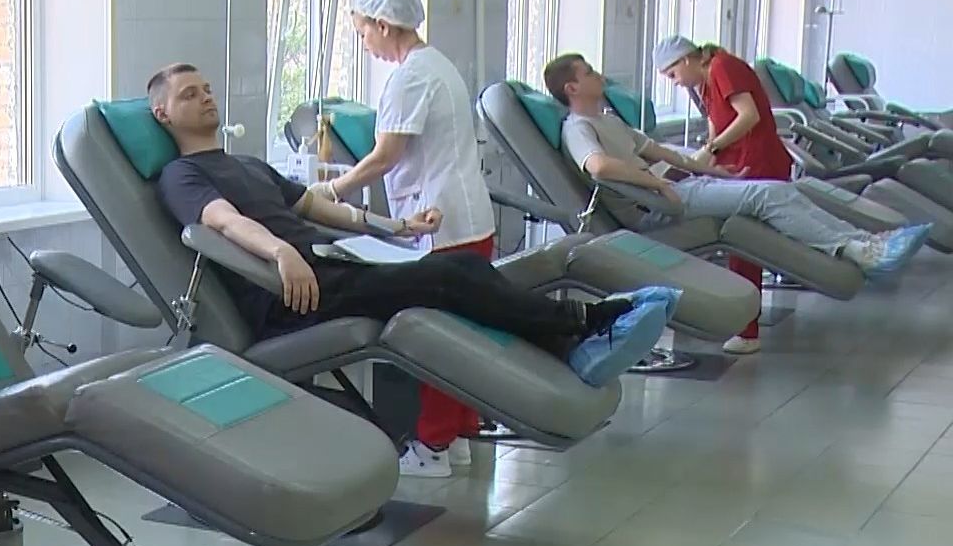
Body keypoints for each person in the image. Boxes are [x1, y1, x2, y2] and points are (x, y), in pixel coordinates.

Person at [147, 63, 677, 470]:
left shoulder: (246, 163)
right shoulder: (181, 175)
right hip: (290, 291)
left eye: (206, 88)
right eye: (189, 94)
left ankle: (570, 340)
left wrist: (395, 227)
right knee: (449, 276)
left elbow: (315, 206)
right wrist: (281, 252)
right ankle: (585, 325)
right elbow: (222, 222)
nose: (206, 97)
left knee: (455, 267)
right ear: (162, 114)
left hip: (331, 266)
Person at [548, 52, 931, 355]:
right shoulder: (578, 127)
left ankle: (861, 244)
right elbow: (599, 166)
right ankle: (856, 248)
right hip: (654, 208)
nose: (599, 74)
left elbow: (661, 151)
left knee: (779, 192)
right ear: (572, 88)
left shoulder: (610, 120)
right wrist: (656, 183)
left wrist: (710, 168)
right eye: (588, 72)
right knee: (767, 194)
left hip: (673, 191)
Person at [309, 0, 499, 476]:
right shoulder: (436, 65)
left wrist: (331, 191)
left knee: (436, 338)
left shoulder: (411, 76)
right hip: (466, 219)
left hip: (442, 226)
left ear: (383, 23)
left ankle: (432, 448)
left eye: (362, 32)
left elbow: (385, 156)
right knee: (460, 333)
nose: (364, 43)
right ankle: (455, 437)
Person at [650, 36, 794, 353]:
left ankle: (748, 331)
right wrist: (703, 162)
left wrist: (712, 150)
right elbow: (715, 127)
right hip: (737, 166)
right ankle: (735, 320)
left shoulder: (723, 67)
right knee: (739, 245)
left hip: (757, 164)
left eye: (673, 74)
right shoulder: (702, 85)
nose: (675, 83)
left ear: (686, 59)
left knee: (745, 245)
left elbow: (749, 115)